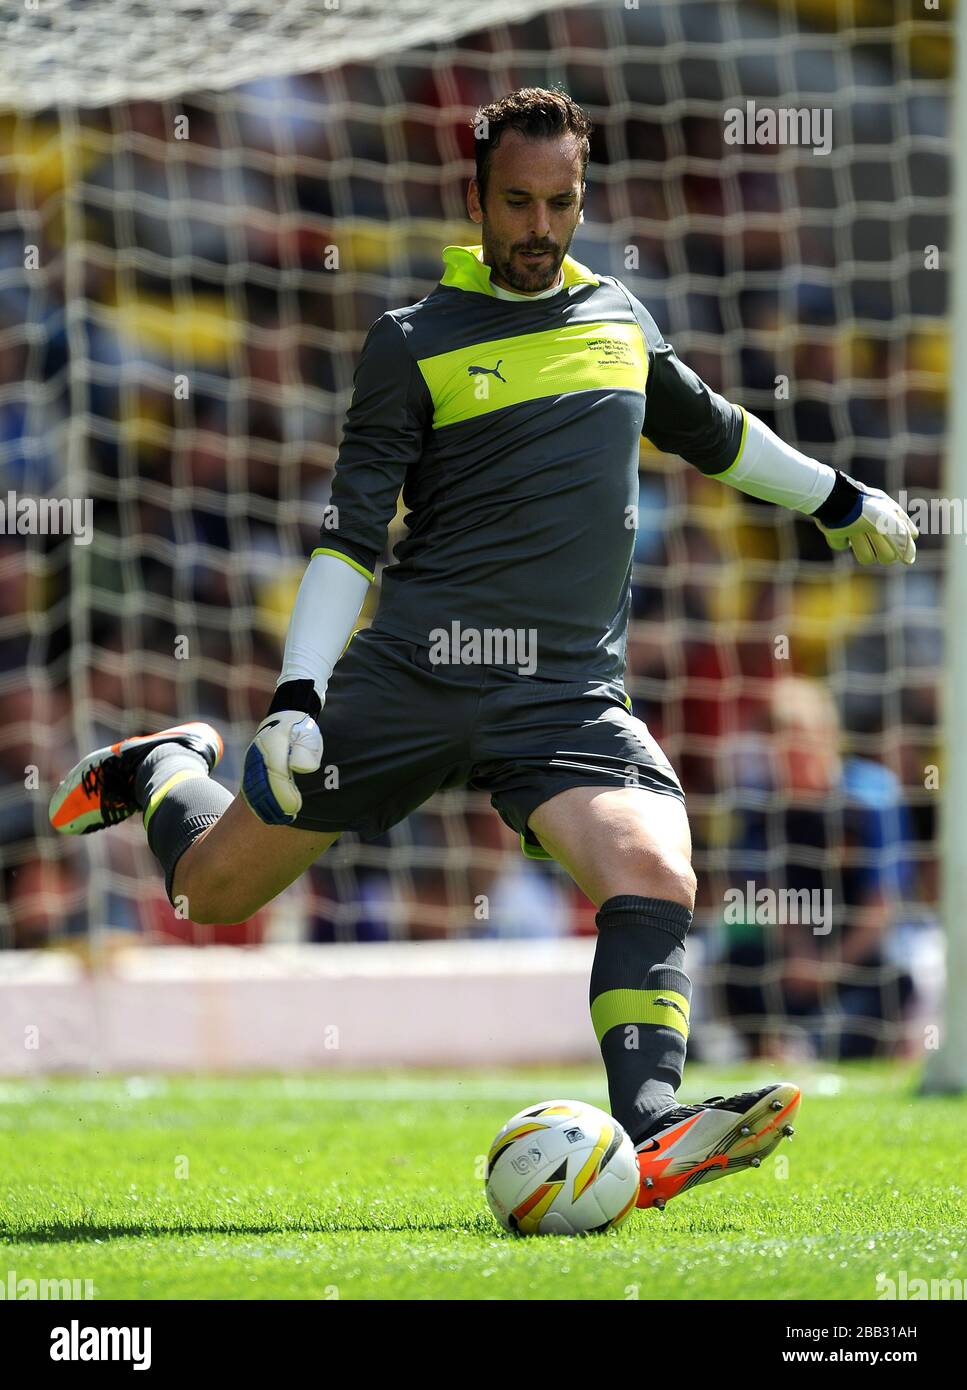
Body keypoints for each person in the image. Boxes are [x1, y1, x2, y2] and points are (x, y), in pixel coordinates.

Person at [49, 88, 916, 1212]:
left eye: (561, 203)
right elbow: (348, 539)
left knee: (654, 868)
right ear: (475, 198)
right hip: (412, 675)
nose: (539, 227)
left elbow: (713, 430)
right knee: (211, 891)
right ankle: (165, 765)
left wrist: (836, 496)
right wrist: (299, 689)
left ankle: (652, 1121)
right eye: (518, 202)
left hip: (563, 693)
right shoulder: (411, 344)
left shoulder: (617, 319)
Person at [719, 677, 917, 1060]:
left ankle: (822, 1045)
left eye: (799, 746)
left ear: (827, 737)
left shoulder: (873, 798)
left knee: (892, 978)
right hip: (793, 959)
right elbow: (767, 895)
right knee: (736, 960)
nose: (791, 760)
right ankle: (768, 1048)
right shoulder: (762, 808)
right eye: (780, 750)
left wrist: (830, 966)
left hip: (859, 957)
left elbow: (883, 906)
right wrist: (801, 954)